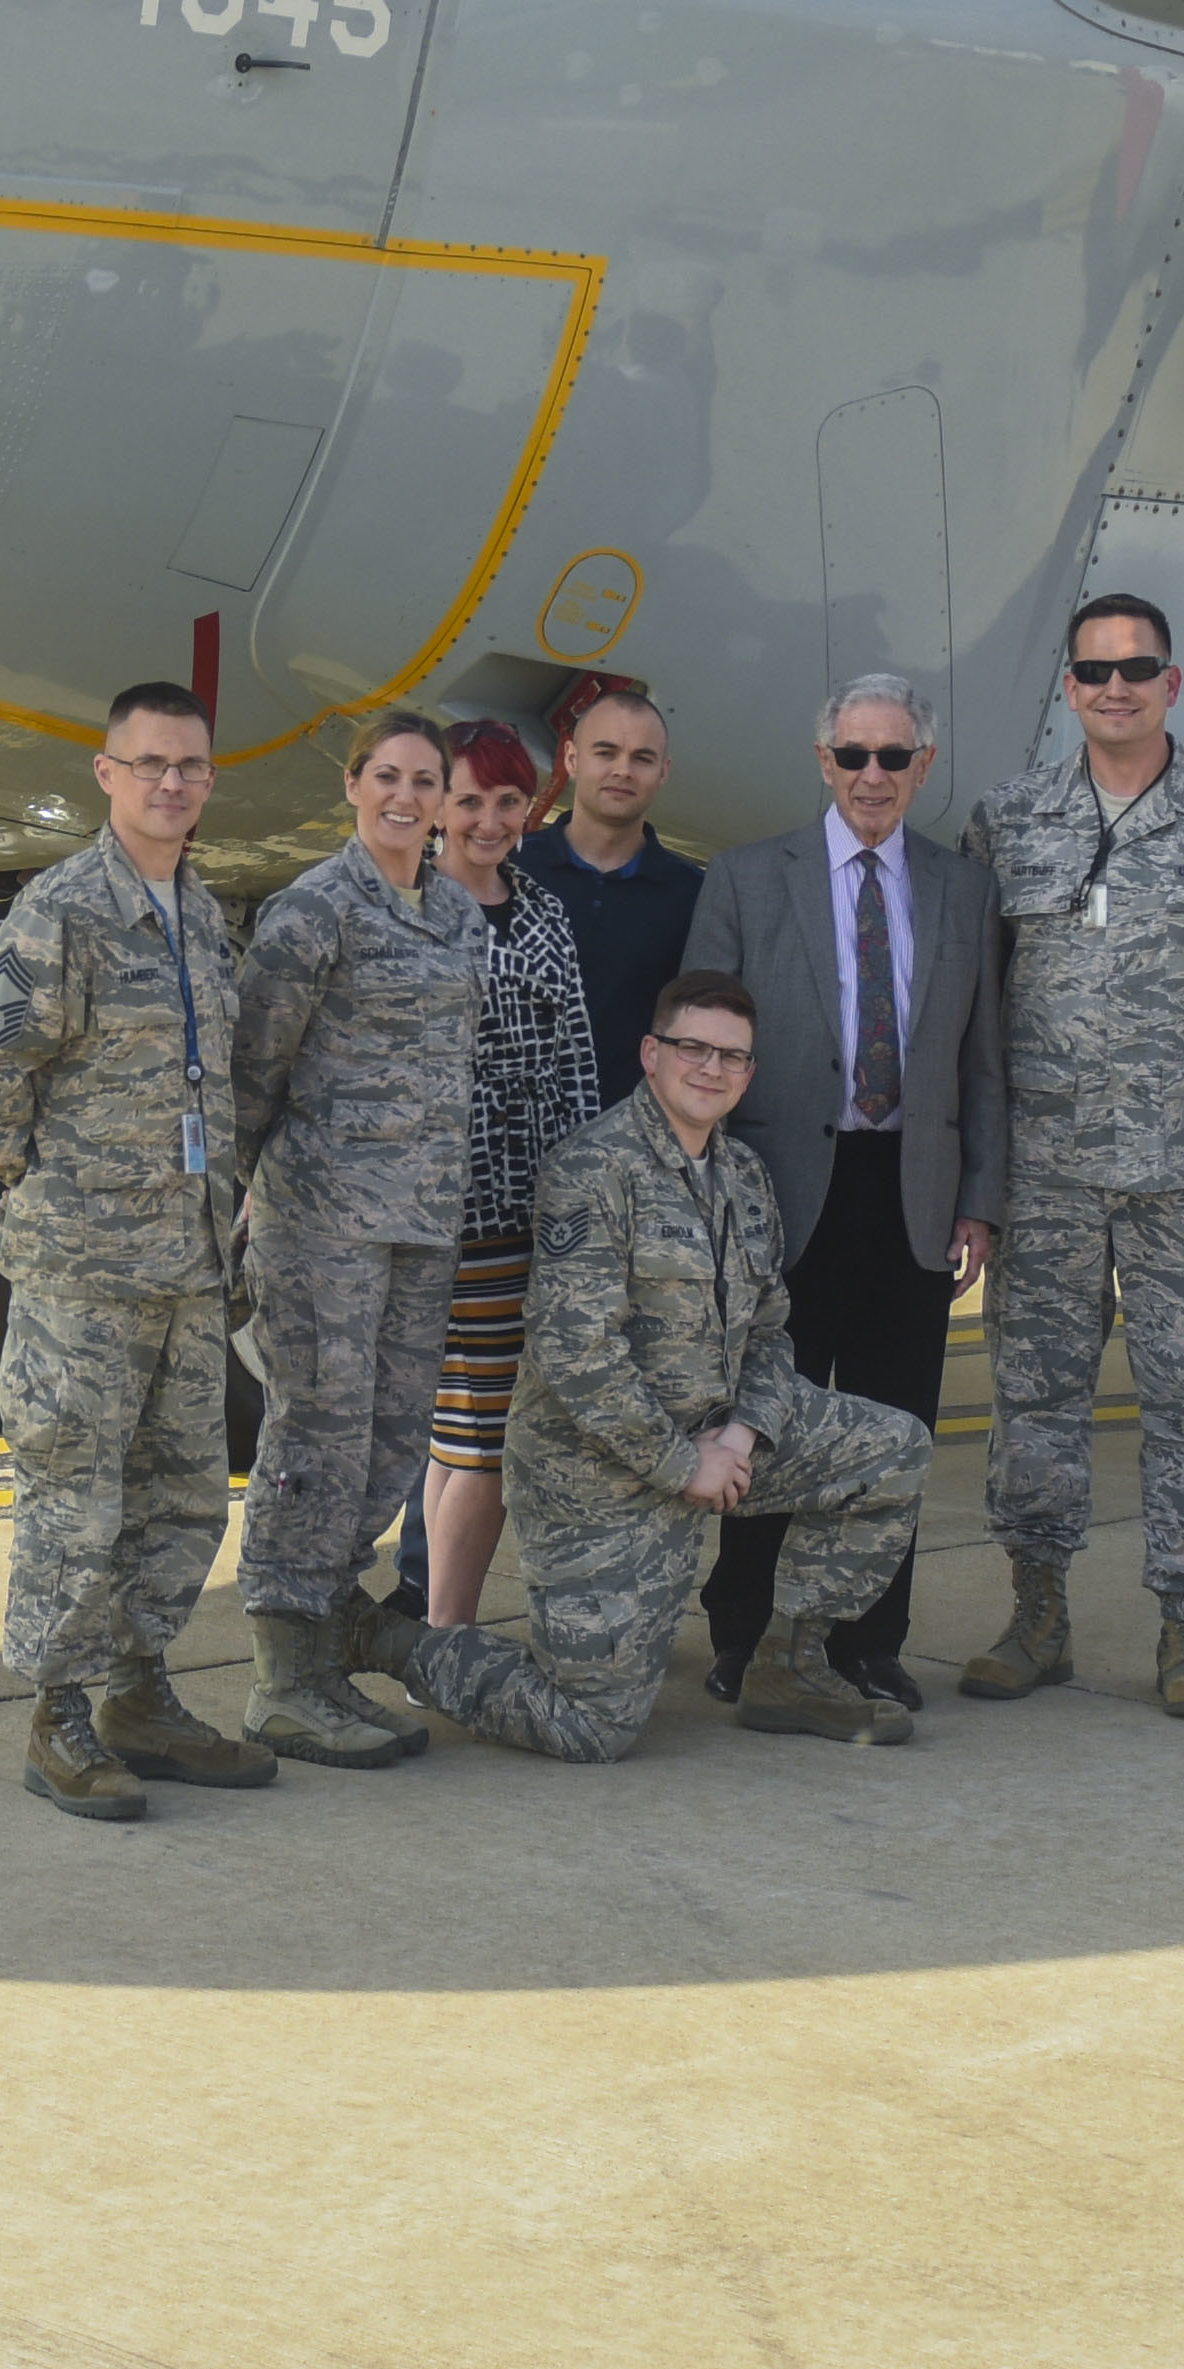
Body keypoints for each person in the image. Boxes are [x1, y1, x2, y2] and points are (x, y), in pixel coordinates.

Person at [398, 973, 933, 1756]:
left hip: (716, 1445)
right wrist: (683, 1464)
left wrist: (744, 1436)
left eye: (733, 1057)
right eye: (693, 1048)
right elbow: (579, 1356)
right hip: (600, 1474)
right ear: (652, 1054)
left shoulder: (744, 1176)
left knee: (893, 1450)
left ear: (749, 1074)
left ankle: (789, 1668)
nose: (712, 1069)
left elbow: (772, 1330)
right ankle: (387, 1643)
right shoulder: (594, 1168)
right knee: (594, 1727)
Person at [967, 592, 1184, 1717]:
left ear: (1173, 682)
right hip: (1046, 1171)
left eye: (1137, 668)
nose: (1114, 688)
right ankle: (1037, 1614)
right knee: (1034, 1398)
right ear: (1067, 688)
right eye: (1093, 671)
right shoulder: (1010, 820)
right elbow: (977, 994)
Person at [0, 680, 257, 1824]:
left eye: (190, 766)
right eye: (150, 763)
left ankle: (140, 1693)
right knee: (75, 1497)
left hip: (187, 1267)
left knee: (179, 1492)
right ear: (106, 773)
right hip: (84, 1272)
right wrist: (43, 1184)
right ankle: (59, 1717)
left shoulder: (201, 914)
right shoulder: (64, 911)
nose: (171, 783)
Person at [669, 671, 1002, 1706]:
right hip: (778, 1189)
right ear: (822, 761)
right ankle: (744, 1631)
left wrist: (980, 1196)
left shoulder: (961, 889)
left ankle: (866, 1638)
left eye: (892, 757)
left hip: (910, 1186)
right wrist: (706, 1192)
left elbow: (982, 1057)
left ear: (922, 767)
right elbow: (696, 1050)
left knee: (894, 1421)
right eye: (852, 755)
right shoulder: (744, 878)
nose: (871, 775)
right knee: (765, 1419)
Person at [214, 717, 469, 1771]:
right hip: (322, 1222)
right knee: (315, 1434)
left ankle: (324, 1634)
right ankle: (285, 1675)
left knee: (392, 1437)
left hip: (421, 1219)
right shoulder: (313, 908)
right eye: (387, 778)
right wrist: (243, 1200)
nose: (405, 797)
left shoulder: (455, 910)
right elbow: (251, 1070)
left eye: (425, 782)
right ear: (353, 786)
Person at [418, 712, 608, 1628]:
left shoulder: (542, 910)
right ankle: (446, 1633)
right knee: (473, 1437)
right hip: (434, 1204)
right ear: (435, 807)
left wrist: (579, 1206)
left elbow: (576, 1064)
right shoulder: (405, 909)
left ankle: (438, 1627)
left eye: (507, 801)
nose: (488, 822)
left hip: (524, 1205)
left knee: (471, 1434)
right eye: (468, 801)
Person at [518, 674, 704, 1085]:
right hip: (510, 1133)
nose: (623, 770)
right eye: (606, 752)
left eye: (642, 758)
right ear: (571, 759)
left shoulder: (693, 896)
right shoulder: (509, 872)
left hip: (624, 1135)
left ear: (663, 771)